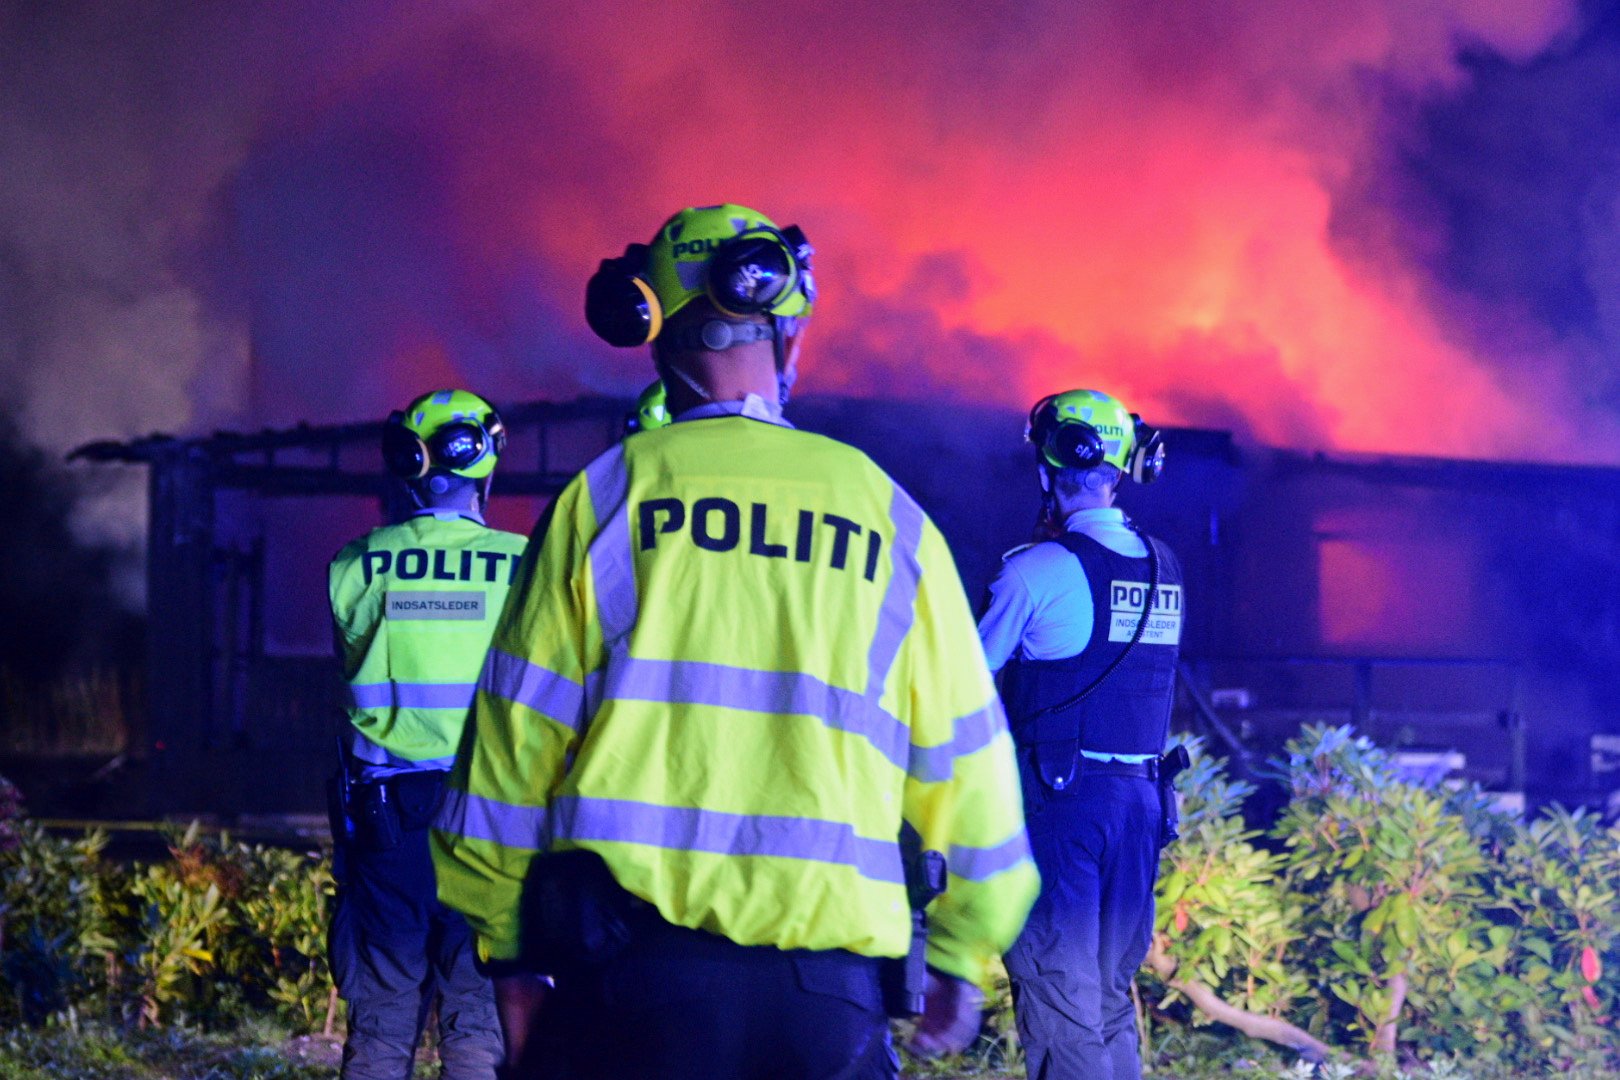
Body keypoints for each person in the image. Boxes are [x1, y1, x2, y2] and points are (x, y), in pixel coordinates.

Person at [431, 203, 1039, 1080]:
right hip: (830, 1006)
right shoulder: (885, 514)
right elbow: (968, 757)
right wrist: (964, 944)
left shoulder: (607, 500)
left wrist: (509, 950)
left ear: (655, 339)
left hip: (630, 992)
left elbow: (508, 755)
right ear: (789, 338)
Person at [977, 389, 1183, 1080]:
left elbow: (967, 681)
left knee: (1059, 994)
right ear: (1126, 466)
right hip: (1142, 810)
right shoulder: (1167, 570)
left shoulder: (1034, 570)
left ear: (1047, 467)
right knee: (1107, 997)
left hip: (1063, 808)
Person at [327, 388, 524, 1080]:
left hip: (387, 823)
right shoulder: (523, 567)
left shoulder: (355, 567)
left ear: (406, 465)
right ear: (486, 461)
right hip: (487, 818)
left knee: (381, 1017)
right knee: (475, 1011)